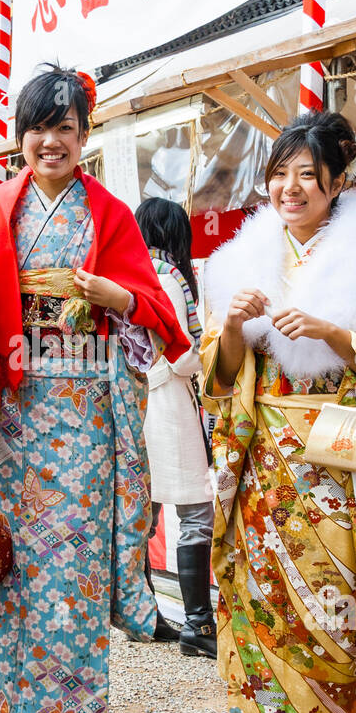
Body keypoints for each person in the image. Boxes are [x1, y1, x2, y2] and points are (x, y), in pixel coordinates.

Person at [0, 64, 190, 713]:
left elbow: (158, 317)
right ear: (18, 136)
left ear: (85, 135)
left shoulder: (110, 214)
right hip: (15, 413)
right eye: (38, 127)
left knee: (75, 570)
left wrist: (113, 294)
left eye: (65, 126)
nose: (50, 140)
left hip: (87, 413)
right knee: (15, 570)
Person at [200, 111, 356, 713]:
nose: (290, 189)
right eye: (279, 175)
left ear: (337, 182)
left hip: (340, 454)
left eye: (308, 176)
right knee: (274, 598)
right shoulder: (243, 258)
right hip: (266, 454)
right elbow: (223, 369)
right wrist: (234, 325)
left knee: (339, 599)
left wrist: (334, 331)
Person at [134, 197, 216, 657]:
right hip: (169, 401)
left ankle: (143, 614)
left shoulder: (132, 274)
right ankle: (198, 624)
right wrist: (202, 359)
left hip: (141, 399)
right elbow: (179, 349)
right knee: (195, 511)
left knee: (143, 510)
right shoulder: (169, 277)